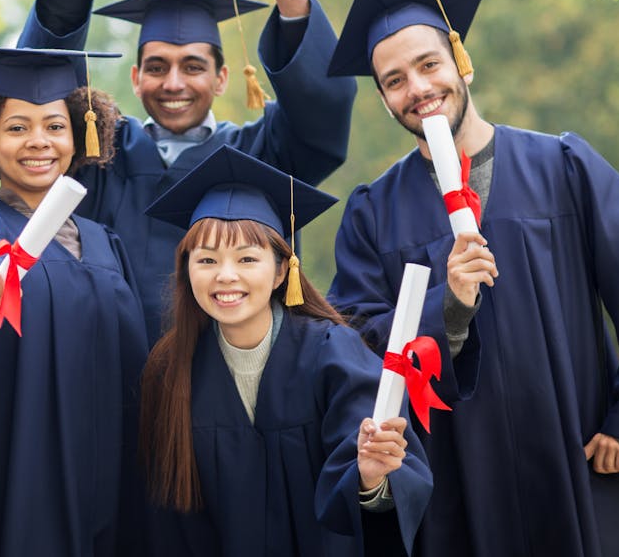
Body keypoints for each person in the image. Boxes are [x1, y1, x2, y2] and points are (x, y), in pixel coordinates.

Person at [326, 0, 619, 556]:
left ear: (460, 60)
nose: (418, 89)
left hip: (576, 457)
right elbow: (358, 341)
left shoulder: (564, 167)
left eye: (428, 65)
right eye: (395, 81)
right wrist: (448, 304)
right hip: (457, 477)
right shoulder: (373, 213)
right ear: (383, 97)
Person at [17, 0, 356, 340]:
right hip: (108, 381)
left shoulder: (265, 153)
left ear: (221, 79)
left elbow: (324, 102)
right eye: (157, 67)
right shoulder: (98, 155)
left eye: (193, 67)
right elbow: (36, 90)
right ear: (136, 79)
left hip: (232, 392)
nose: (174, 82)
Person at [141, 145, 431, 555]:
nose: (226, 276)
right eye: (206, 260)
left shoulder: (333, 354)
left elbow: (378, 481)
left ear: (281, 269)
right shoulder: (171, 371)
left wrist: (370, 478)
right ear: (186, 270)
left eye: (247, 258)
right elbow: (165, 522)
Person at [0, 46, 150, 556]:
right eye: (17, 128)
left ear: (77, 138)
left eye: (54, 126)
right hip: (6, 477)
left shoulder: (103, 241)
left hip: (102, 478)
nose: (38, 142)